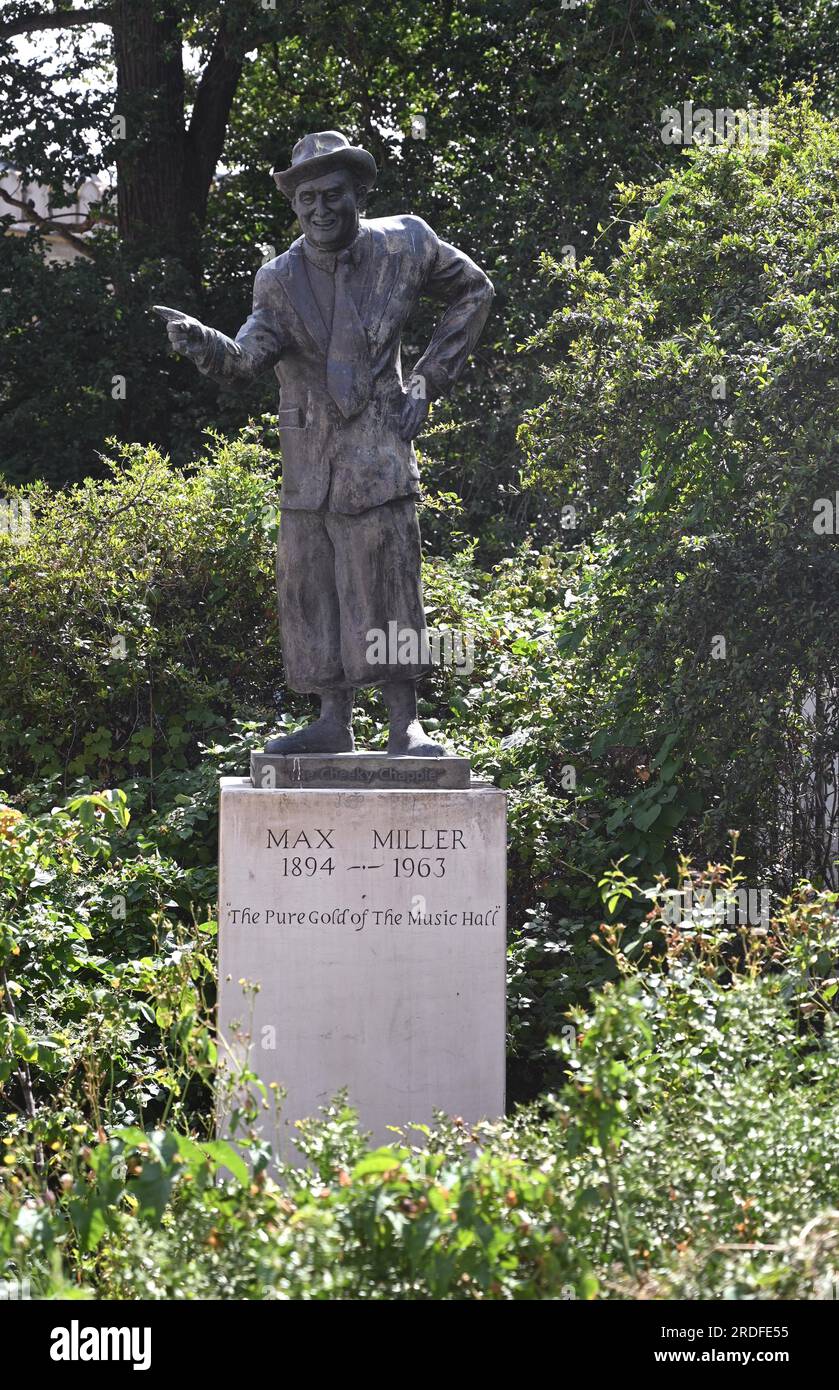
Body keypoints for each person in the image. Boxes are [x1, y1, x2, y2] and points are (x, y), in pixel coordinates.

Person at [159, 130, 493, 755]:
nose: (320, 209)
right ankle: (330, 719)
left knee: (389, 581)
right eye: (306, 197)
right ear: (293, 204)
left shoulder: (407, 242)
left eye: (333, 194)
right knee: (311, 589)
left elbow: (475, 292)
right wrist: (204, 343)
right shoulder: (276, 280)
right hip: (309, 468)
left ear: (359, 194)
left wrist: (427, 377)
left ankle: (405, 724)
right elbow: (247, 357)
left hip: (379, 448)